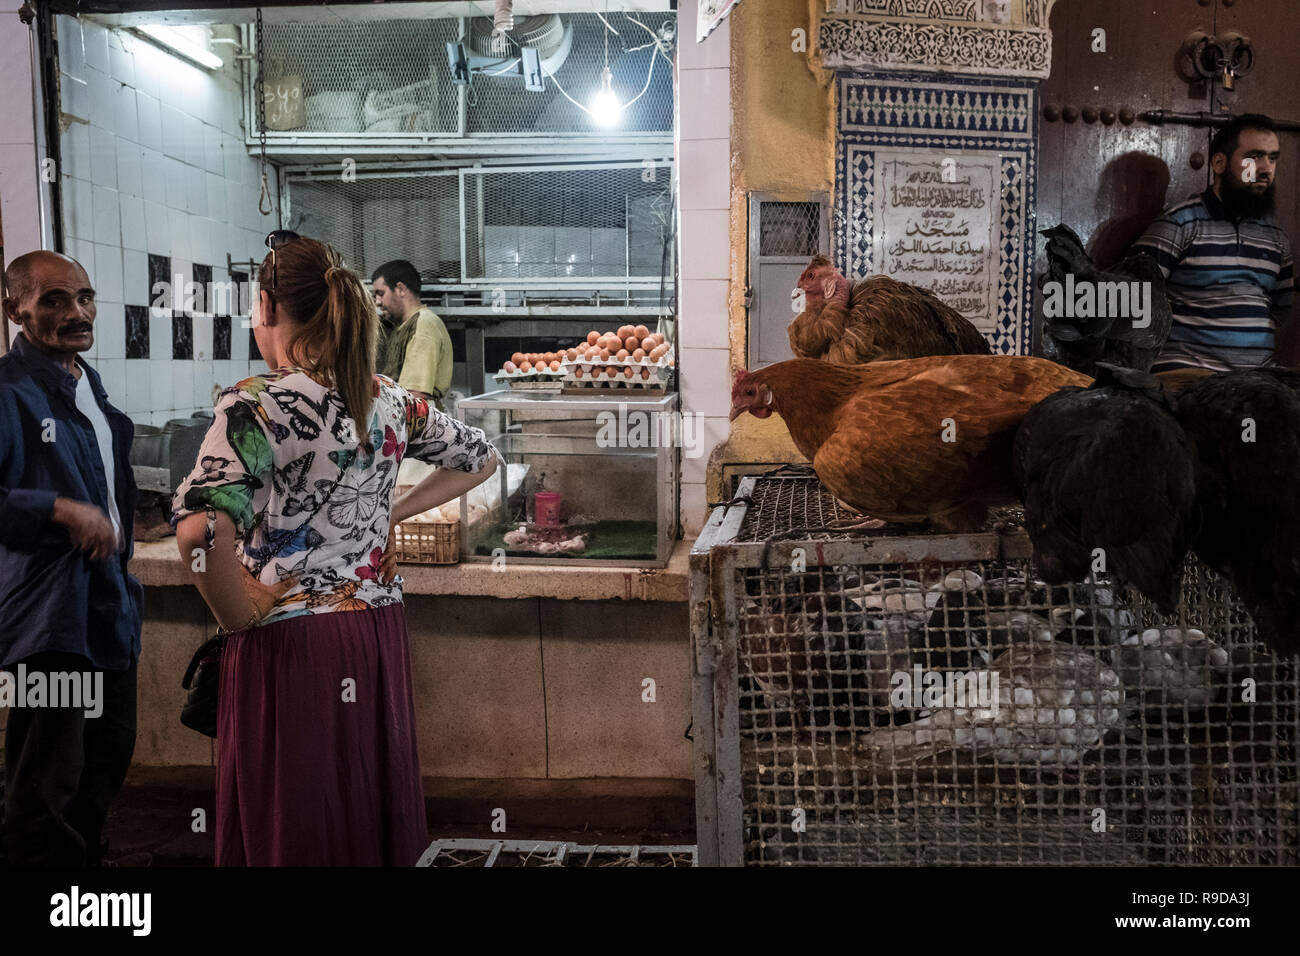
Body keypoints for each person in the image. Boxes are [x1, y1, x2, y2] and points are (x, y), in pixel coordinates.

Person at [171, 234, 500, 867]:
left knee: (298, 813)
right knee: (363, 801)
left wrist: (237, 616)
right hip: (374, 633)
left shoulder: (260, 407)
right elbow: (483, 458)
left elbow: (200, 532)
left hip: (289, 645)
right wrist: (390, 514)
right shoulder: (390, 402)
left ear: (267, 306)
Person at [0, 250, 142, 867]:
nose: (76, 312)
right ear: (16, 309)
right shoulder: (8, 392)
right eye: (54, 300)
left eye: (83, 298)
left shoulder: (84, 380)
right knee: (43, 783)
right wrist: (58, 509)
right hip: (48, 620)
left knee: (106, 754)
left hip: (107, 606)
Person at [1132, 113, 1295, 372]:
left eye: (1272, 158)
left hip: (1256, 381)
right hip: (1188, 380)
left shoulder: (1276, 238)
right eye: (1254, 157)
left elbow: (1280, 310)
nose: (1266, 169)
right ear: (1219, 163)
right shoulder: (1180, 224)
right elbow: (1132, 299)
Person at [370, 259, 454, 409]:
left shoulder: (423, 324)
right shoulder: (401, 325)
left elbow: (414, 394)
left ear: (401, 289)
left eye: (381, 294)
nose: (377, 302)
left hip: (416, 423)